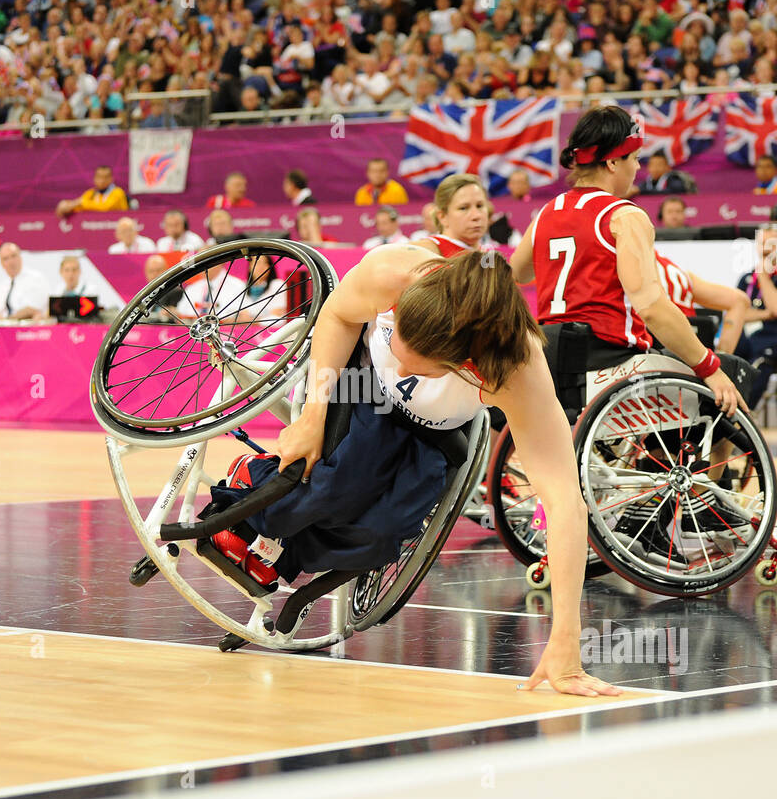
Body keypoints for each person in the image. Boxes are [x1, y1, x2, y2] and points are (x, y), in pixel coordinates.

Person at [221, 243, 621, 697]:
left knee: (384, 535)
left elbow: (564, 500)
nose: (403, 358)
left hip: (435, 425)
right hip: (363, 381)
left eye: (416, 361)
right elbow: (337, 316)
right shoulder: (393, 271)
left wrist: (566, 643)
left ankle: (290, 553)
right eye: (398, 341)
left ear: (463, 361)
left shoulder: (516, 370)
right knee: (342, 480)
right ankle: (251, 486)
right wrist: (314, 415)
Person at [510, 106, 748, 569]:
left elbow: (514, 273)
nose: (639, 168)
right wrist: (710, 367)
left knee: (677, 376)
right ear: (614, 163)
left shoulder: (548, 212)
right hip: (607, 361)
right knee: (728, 374)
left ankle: (664, 506)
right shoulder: (624, 216)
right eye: (635, 159)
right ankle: (669, 513)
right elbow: (653, 306)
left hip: (551, 362)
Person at [733, 224, 777, 408]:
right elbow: (736, 313)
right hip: (749, 336)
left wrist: (763, 276)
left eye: (771, 243)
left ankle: (743, 415)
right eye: (762, 243)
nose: (766, 248)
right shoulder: (746, 278)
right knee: (728, 354)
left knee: (759, 360)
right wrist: (767, 314)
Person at [655, 251, 751, 355]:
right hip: (693, 357)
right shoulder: (677, 271)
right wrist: (723, 356)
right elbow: (739, 300)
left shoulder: (640, 266)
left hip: (655, 356)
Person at [411, 173, 489, 257]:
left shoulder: (490, 256)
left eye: (480, 206)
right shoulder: (422, 252)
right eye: (463, 208)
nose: (476, 216)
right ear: (442, 216)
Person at [0, 242, 54, 319]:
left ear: (20, 257)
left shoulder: (36, 279)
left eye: (13, 256)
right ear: (1, 263)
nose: (11, 261)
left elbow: (32, 310)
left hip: (29, 328)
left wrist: (8, 320)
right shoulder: (1, 286)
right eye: (6, 258)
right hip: (3, 327)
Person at [55, 165, 128, 218]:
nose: (102, 180)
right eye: (99, 177)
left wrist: (82, 203)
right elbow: (77, 206)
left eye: (105, 177)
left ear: (111, 179)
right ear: (94, 178)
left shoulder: (118, 192)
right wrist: (66, 205)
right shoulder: (91, 193)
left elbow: (105, 208)